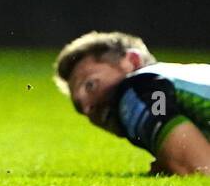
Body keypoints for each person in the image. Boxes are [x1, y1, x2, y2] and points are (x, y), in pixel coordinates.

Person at [55, 31, 210, 176]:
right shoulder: (186, 78)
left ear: (132, 61)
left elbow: (201, 169)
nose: (88, 108)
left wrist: (178, 162)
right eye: (79, 107)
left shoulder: (142, 86)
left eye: (91, 85)